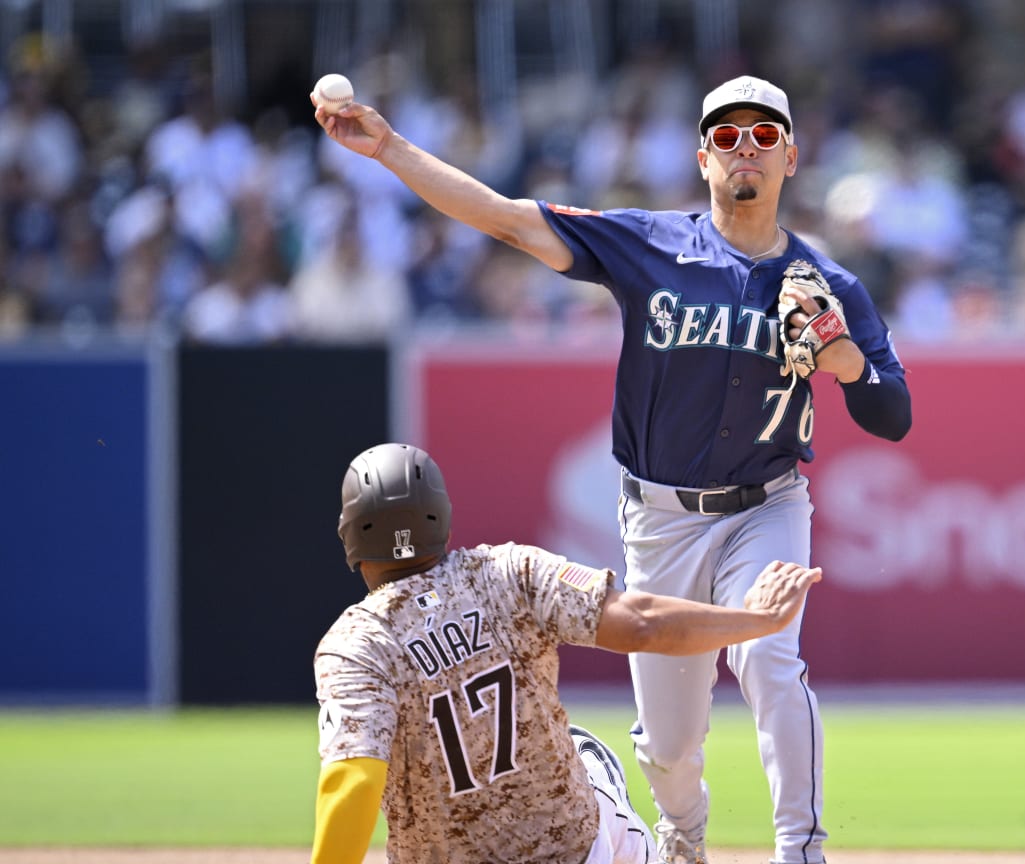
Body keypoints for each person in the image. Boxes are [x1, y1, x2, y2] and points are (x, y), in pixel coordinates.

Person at [314, 73, 912, 864]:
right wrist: (388, 148)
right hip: (659, 517)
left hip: (767, 504)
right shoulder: (651, 244)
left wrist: (844, 364)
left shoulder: (830, 286)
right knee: (668, 748)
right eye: (727, 136)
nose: (746, 149)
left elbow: (892, 414)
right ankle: (683, 831)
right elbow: (503, 220)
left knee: (769, 654)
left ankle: (801, 849)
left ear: (791, 157)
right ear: (703, 158)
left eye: (764, 136)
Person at [311, 442, 824, 864]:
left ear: (351, 535)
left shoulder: (354, 647)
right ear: (440, 516)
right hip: (579, 852)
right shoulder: (507, 573)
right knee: (588, 753)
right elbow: (642, 623)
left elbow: (353, 781)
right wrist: (757, 620)